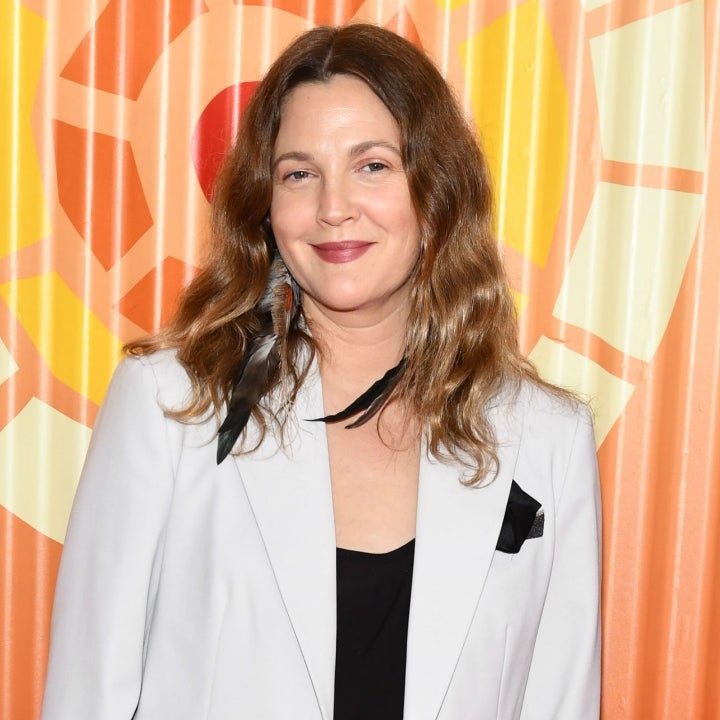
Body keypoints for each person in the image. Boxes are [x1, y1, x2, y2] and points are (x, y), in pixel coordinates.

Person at [41, 23, 601, 720]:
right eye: (299, 174)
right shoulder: (170, 406)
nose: (334, 208)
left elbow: (561, 700)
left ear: (437, 191)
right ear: (266, 207)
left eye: (373, 166)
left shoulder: (547, 437)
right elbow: (85, 698)